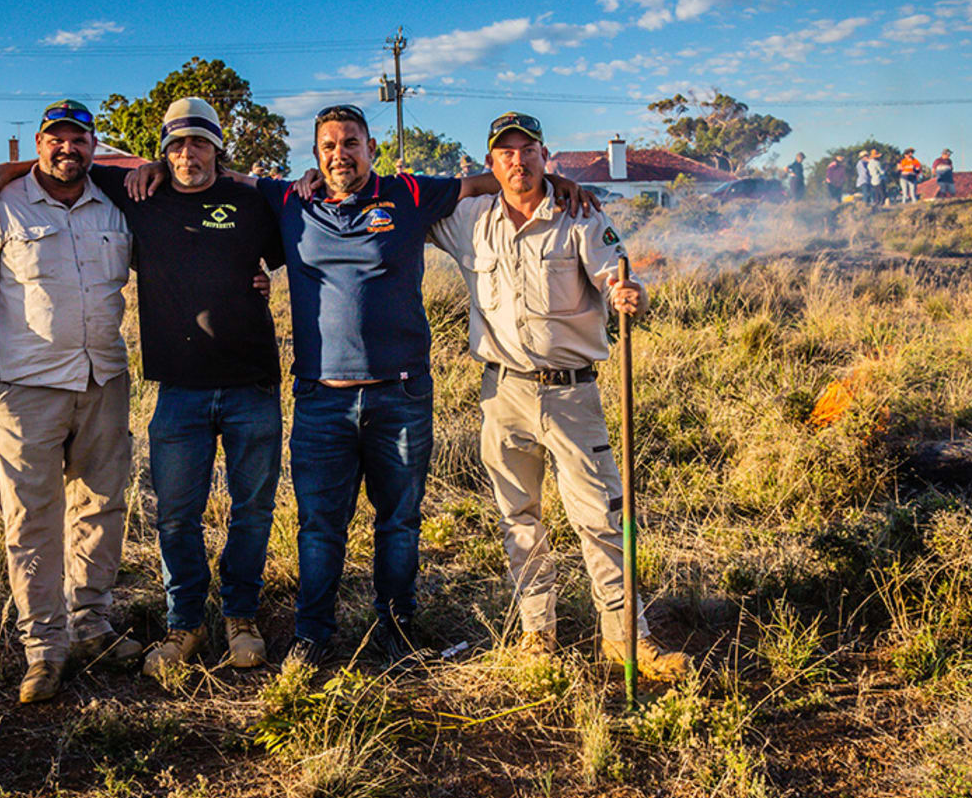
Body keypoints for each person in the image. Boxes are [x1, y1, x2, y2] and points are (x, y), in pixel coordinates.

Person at [131, 104, 596, 669]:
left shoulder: (407, 194)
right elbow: (215, 174)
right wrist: (149, 166)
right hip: (321, 397)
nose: (339, 154)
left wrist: (554, 179)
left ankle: (397, 626)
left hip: (399, 395)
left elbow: (487, 179)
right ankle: (312, 633)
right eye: (328, 145)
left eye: (350, 143)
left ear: (370, 147)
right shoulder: (289, 199)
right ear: (315, 156)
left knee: (398, 521)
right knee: (319, 524)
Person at [0, 98, 285, 679]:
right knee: (171, 517)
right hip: (174, 391)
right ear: (162, 151)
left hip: (246, 385)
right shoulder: (136, 196)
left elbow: (297, 214)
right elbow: (63, 167)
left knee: (245, 509)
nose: (188, 153)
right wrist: (5, 169)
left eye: (200, 142)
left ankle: (237, 616)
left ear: (218, 145)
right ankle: (176, 623)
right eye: (176, 144)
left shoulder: (246, 200)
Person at [426, 112, 690, 680]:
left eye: (527, 151)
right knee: (518, 518)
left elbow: (615, 277)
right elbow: (407, 210)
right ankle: (535, 633)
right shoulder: (467, 219)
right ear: (491, 164)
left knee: (600, 516)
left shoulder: (581, 215)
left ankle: (626, 639)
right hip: (502, 392)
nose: (517, 162)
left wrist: (627, 294)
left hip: (571, 395)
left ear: (547, 156)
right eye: (505, 154)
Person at [0, 100, 142, 703]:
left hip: (103, 379)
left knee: (103, 505)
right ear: (38, 143)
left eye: (78, 140)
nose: (67, 150)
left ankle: (91, 623)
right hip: (27, 388)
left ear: (92, 145)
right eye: (55, 140)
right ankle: (44, 646)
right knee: (31, 519)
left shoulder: (116, 204)